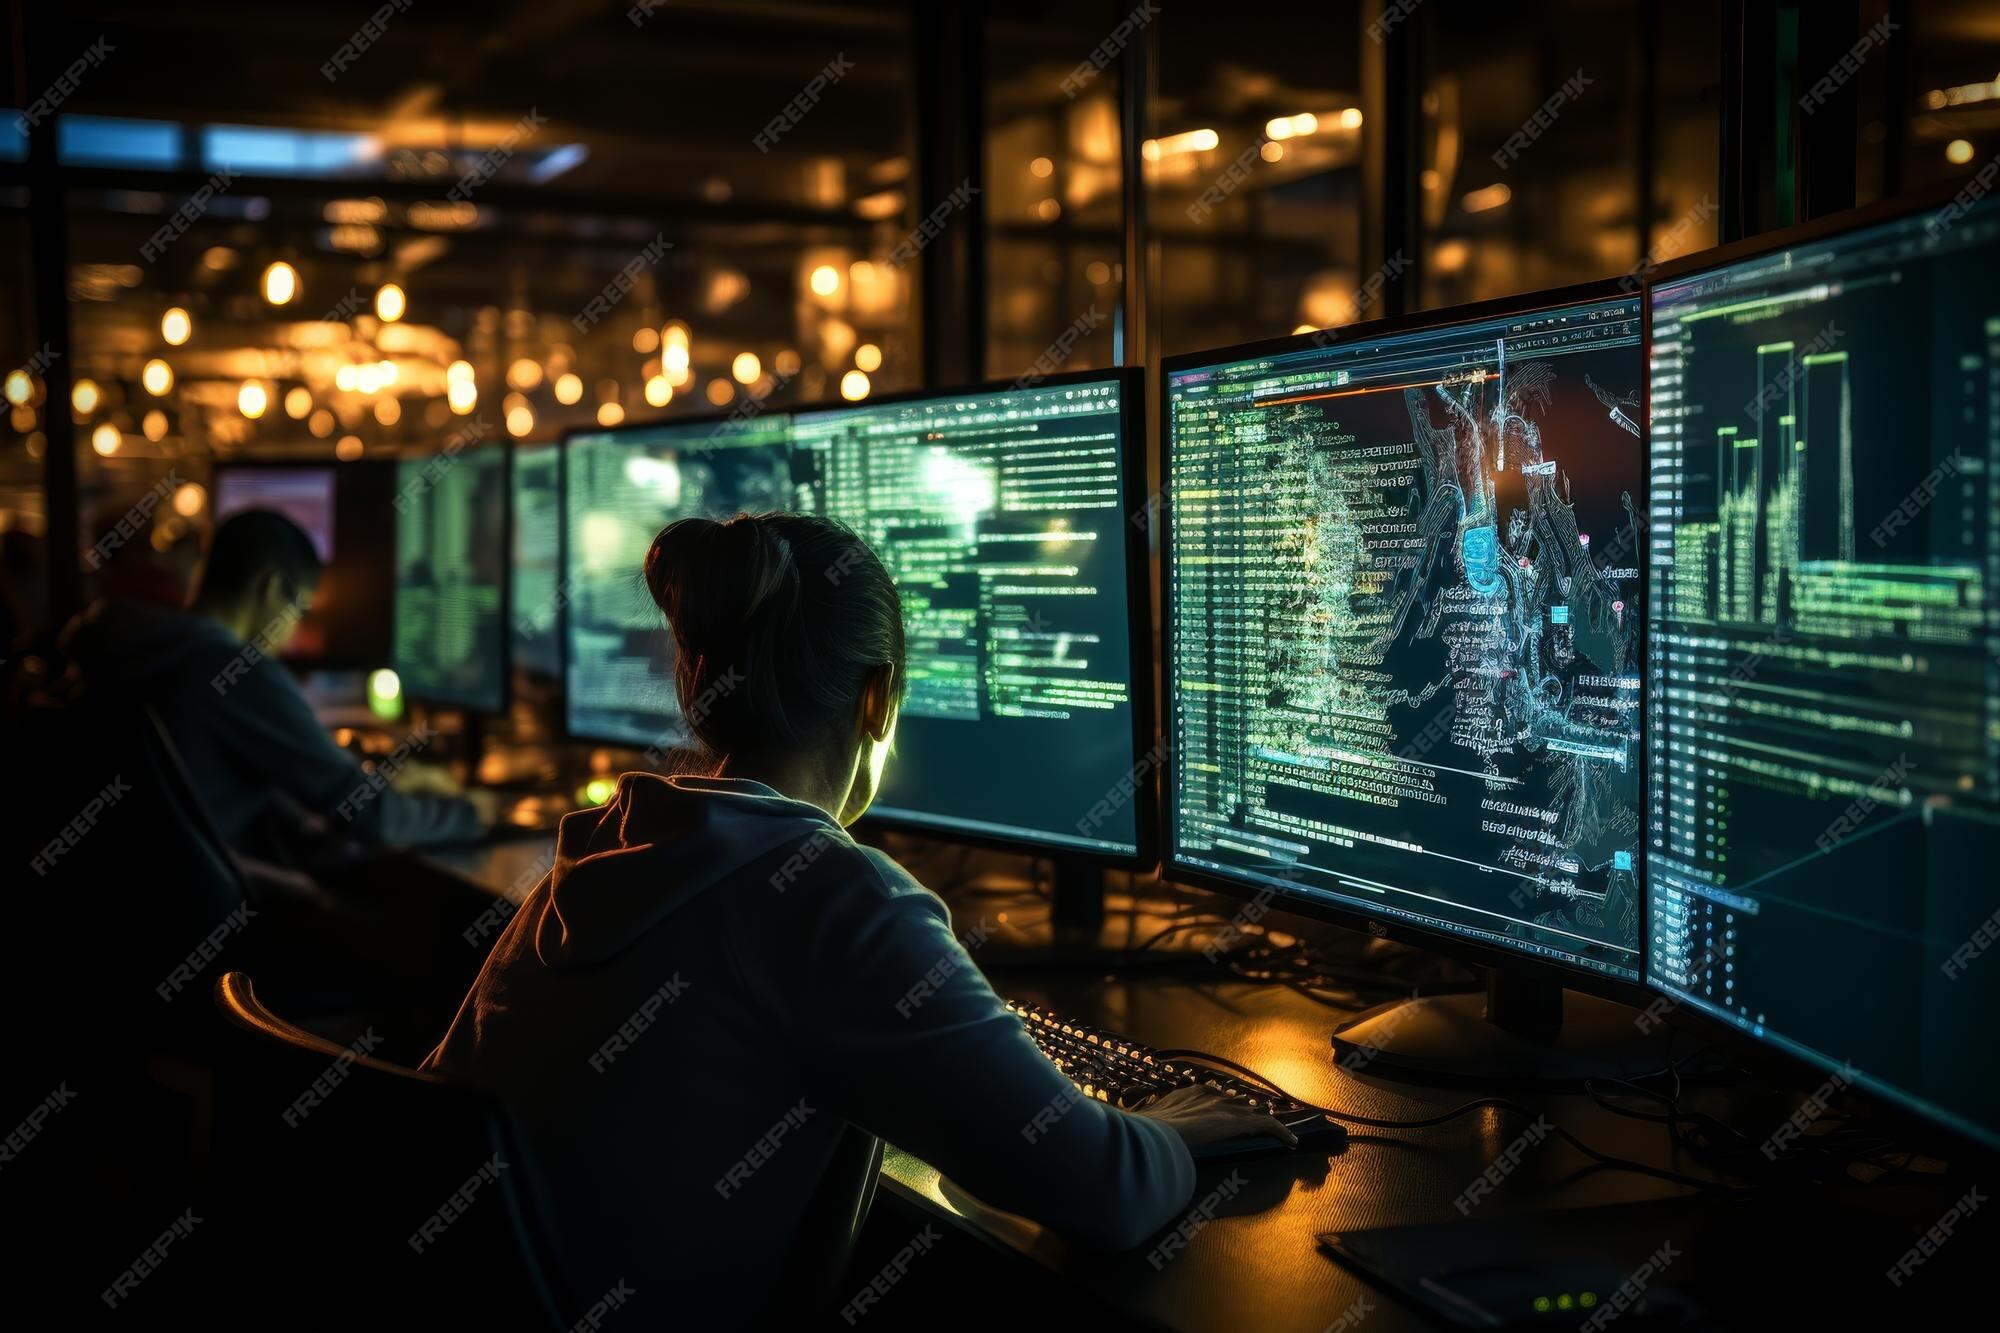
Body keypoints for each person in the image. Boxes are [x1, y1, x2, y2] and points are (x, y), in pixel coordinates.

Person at [424, 513, 1293, 1322]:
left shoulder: (605, 849)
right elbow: (1105, 1193)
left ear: (698, 686)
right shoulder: (830, 896)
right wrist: (1175, 1128)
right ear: (875, 700)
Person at [63, 507, 493, 857]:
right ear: (270, 589)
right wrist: (475, 813)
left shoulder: (142, 650)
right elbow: (366, 814)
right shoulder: (238, 670)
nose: (293, 636)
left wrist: (377, 773)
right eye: (301, 609)